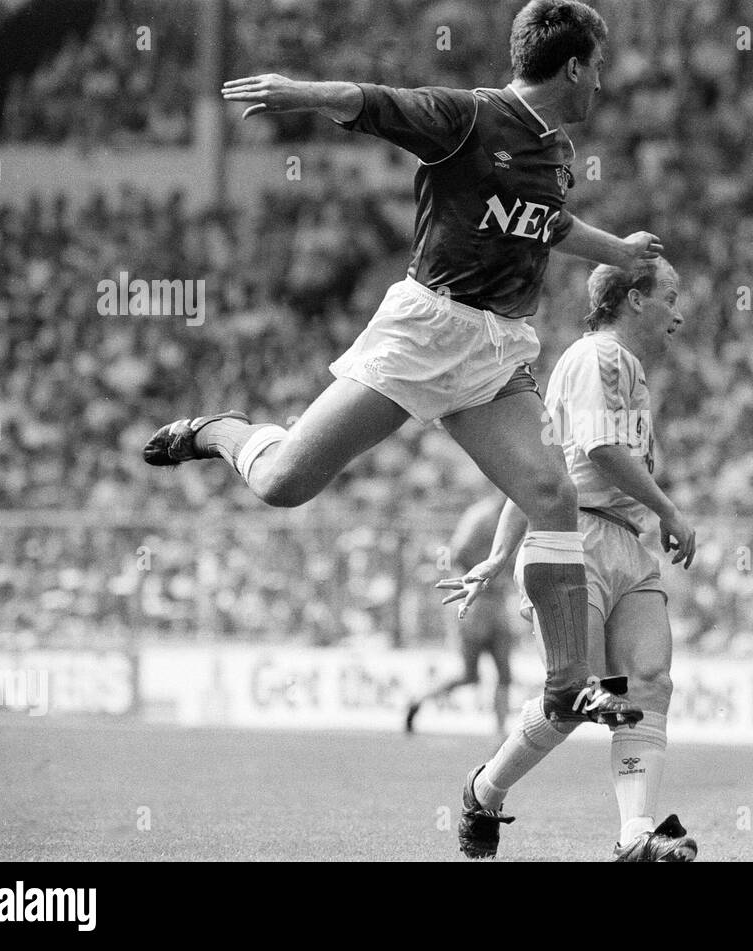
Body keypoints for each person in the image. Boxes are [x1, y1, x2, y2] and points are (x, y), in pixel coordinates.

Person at [142, 0, 670, 727]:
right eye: (598, 69)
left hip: (496, 350)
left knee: (552, 494)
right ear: (573, 66)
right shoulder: (469, 117)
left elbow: (547, 224)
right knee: (283, 482)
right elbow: (374, 103)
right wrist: (296, 93)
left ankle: (566, 683)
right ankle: (220, 429)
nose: (602, 85)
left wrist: (619, 252)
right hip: (424, 334)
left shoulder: (556, 152)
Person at [438, 256, 698, 861]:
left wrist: (500, 553)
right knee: (575, 697)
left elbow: (542, 466)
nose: (678, 315)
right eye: (670, 296)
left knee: (647, 683)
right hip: (573, 540)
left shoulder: (618, 367)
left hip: (624, 546)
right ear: (635, 300)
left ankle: (635, 835)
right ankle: (484, 790)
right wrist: (670, 511)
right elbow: (601, 451)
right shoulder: (599, 358)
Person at [406, 494, 515, 737]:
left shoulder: (515, 515)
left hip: (497, 603)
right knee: (469, 675)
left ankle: (501, 734)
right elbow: (450, 552)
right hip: (475, 603)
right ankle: (418, 698)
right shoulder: (481, 517)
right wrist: (447, 580)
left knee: (505, 673)